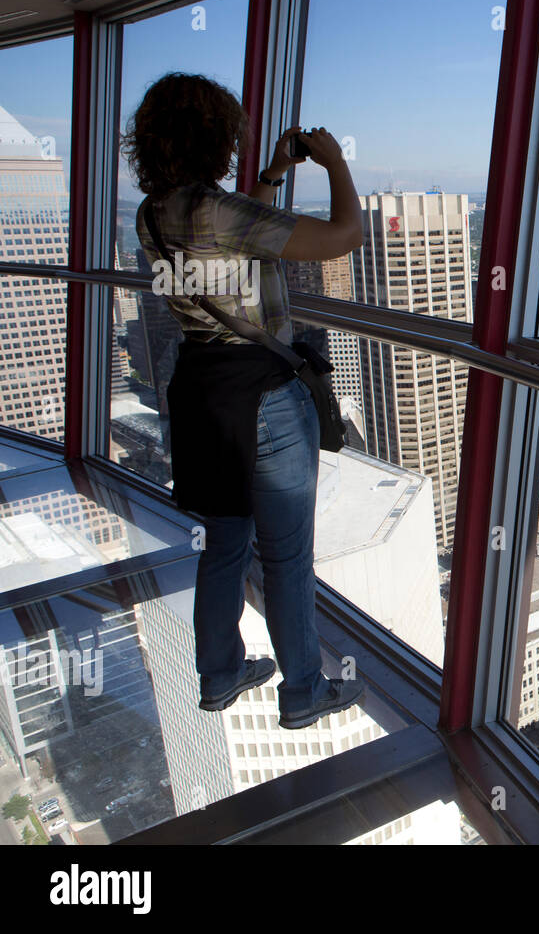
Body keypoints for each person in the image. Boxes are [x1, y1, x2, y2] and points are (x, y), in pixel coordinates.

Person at [124, 72, 365, 729]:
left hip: (199, 394)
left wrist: (275, 172)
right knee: (286, 559)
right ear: (213, 136)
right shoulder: (221, 212)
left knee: (223, 547)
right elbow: (345, 236)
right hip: (261, 397)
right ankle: (303, 690)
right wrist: (336, 161)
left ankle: (221, 674)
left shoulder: (153, 214)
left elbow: (230, 230)